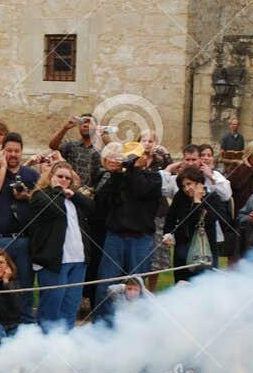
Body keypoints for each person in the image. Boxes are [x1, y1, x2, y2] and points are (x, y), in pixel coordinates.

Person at [0, 131, 39, 321]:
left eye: (17, 151)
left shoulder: (30, 175)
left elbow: (42, 200)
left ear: (22, 152)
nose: (13, 154)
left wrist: (26, 196)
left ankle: (26, 323)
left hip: (23, 240)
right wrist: (2, 167)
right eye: (9, 151)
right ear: (2, 152)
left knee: (25, 285)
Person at [93, 141, 162, 308]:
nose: (131, 162)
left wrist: (135, 169)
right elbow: (100, 202)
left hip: (140, 239)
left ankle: (134, 321)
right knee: (106, 284)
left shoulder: (154, 178)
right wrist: (116, 175)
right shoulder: (117, 178)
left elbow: (141, 190)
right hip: (115, 237)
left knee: (136, 286)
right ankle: (103, 321)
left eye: (135, 158)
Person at [26, 161, 90, 333]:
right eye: (60, 176)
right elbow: (52, 209)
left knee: (70, 306)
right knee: (51, 307)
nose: (63, 180)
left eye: (67, 178)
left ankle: (65, 343)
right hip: (54, 262)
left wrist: (74, 196)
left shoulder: (73, 198)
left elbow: (93, 210)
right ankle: (46, 343)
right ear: (51, 177)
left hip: (78, 260)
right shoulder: (40, 195)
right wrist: (57, 190)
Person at [164, 166, 231, 282]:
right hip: (183, 246)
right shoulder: (180, 197)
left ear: (199, 183)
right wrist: (167, 233)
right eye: (183, 186)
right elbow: (170, 217)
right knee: (182, 282)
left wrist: (197, 201)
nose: (186, 188)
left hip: (205, 247)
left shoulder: (213, 198)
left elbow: (205, 220)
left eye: (189, 184)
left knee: (205, 282)